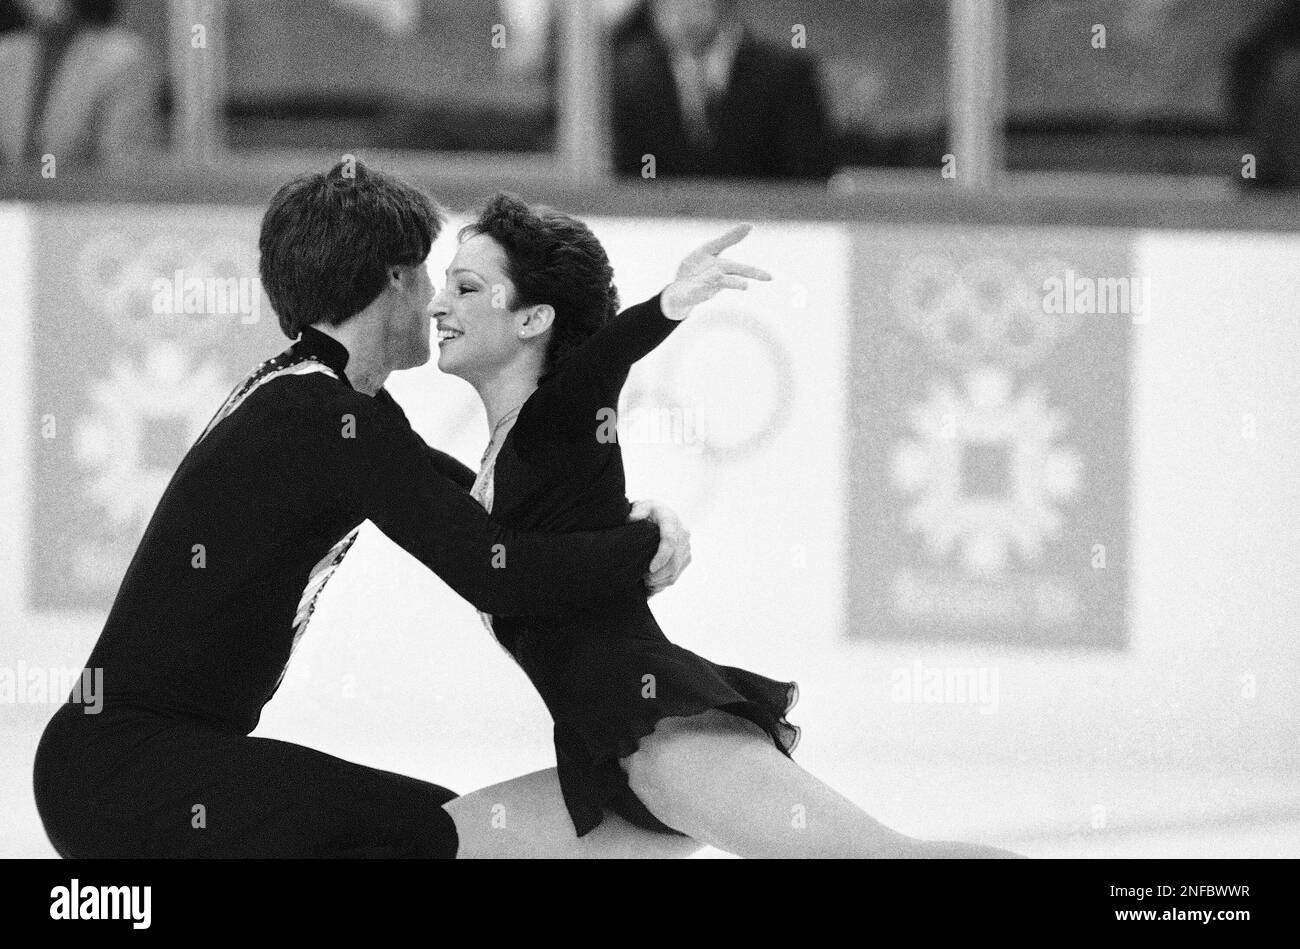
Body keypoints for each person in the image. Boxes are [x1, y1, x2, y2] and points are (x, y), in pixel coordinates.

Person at [32, 160, 696, 859]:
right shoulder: (323, 415)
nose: (438, 304)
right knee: (441, 835)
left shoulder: (331, 401)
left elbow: (487, 513)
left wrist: (629, 517)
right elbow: (499, 570)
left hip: (137, 765)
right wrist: (638, 550)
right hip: (128, 773)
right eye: (431, 277)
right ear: (394, 279)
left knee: (443, 828)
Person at [430, 193, 1023, 858]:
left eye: (466, 286)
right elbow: (392, 459)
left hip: (670, 742)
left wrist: (669, 304)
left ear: (533, 317)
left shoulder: (557, 419)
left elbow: (601, 361)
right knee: (448, 847)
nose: (438, 304)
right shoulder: (489, 472)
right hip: (607, 768)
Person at [610, 0, 835, 180]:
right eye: (668, 4)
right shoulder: (633, 82)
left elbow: (809, 178)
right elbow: (631, 179)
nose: (683, 14)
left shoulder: (786, 75)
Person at [0, 0, 161, 168]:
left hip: (89, 192)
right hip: (13, 193)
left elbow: (120, 161)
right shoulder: (7, 51)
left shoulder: (123, 57)